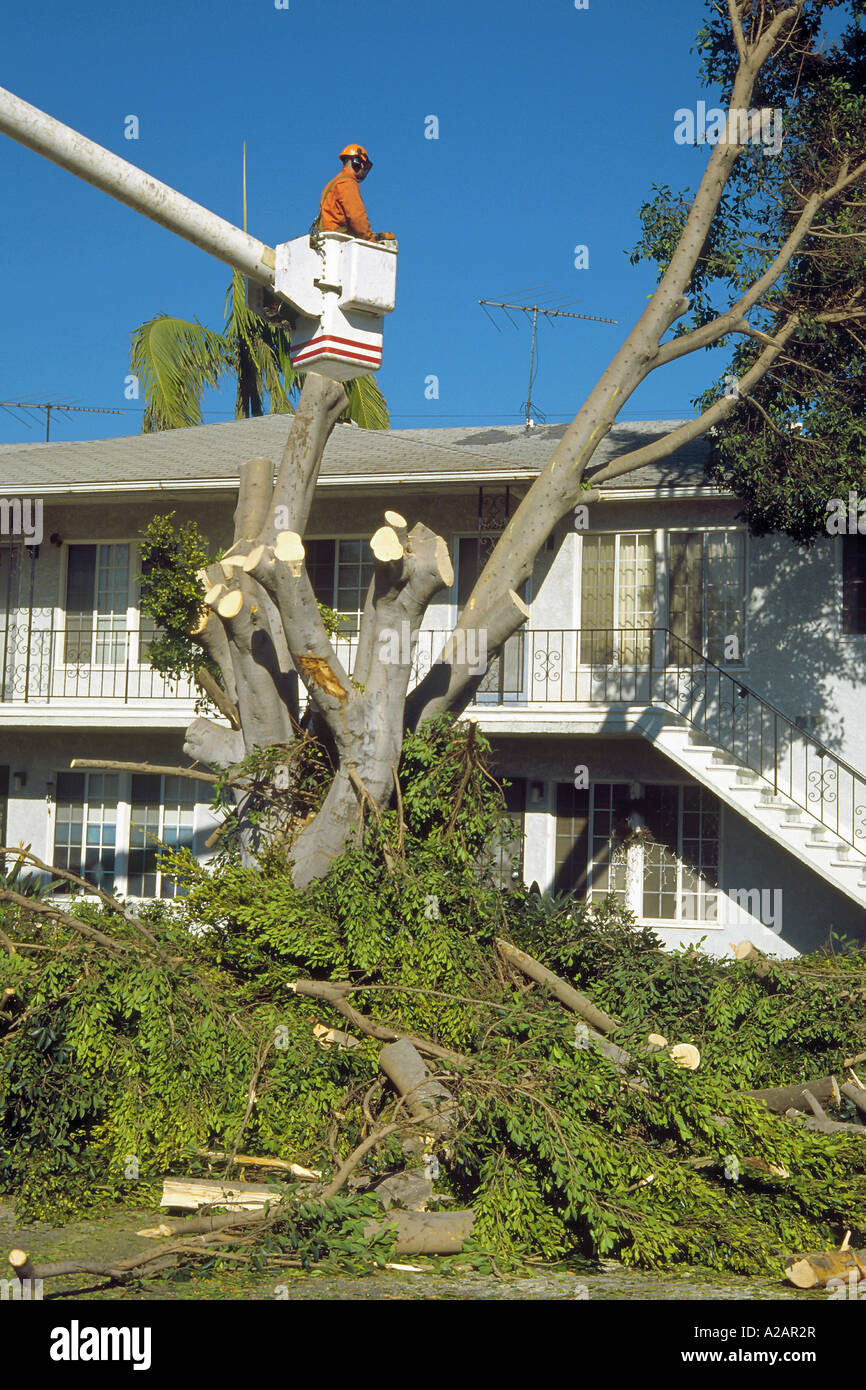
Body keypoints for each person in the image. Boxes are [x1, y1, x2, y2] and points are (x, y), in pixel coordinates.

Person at [315, 145, 394, 242]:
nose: (364, 170)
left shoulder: (334, 182)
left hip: (329, 237)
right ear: (357, 162)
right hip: (339, 240)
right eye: (364, 165)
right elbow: (357, 217)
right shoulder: (347, 183)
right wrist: (370, 238)